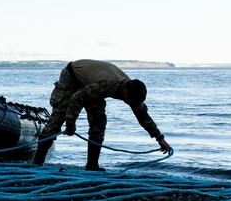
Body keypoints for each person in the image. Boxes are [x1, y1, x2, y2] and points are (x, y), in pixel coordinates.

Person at [32, 59, 172, 170]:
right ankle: (37, 162)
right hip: (72, 76)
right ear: (125, 93)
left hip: (93, 85)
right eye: (131, 102)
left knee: (98, 122)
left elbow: (142, 115)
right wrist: (70, 125)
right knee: (59, 116)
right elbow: (76, 98)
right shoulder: (107, 85)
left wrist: (159, 138)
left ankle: (92, 166)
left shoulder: (132, 89)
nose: (132, 105)